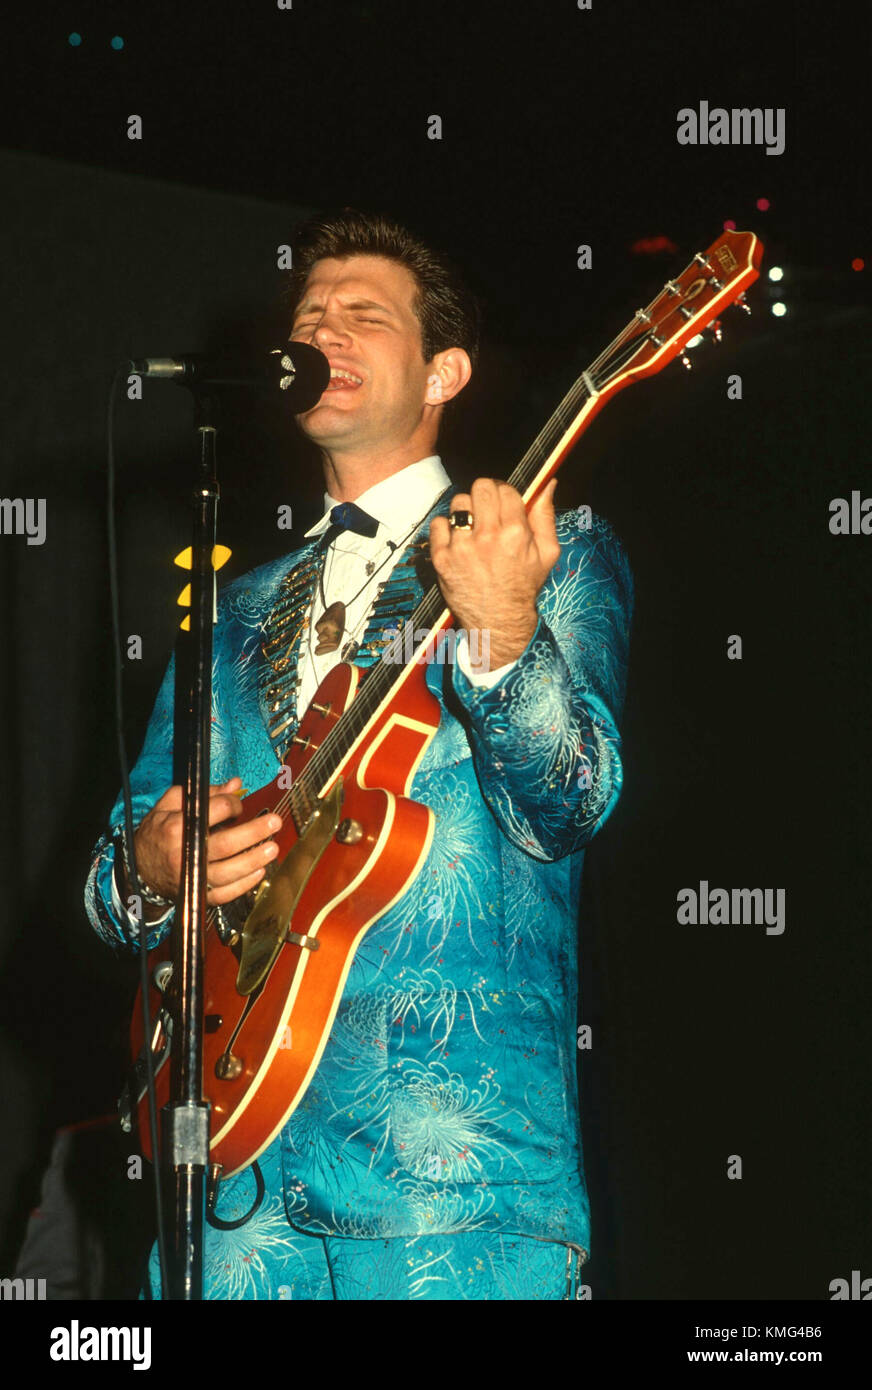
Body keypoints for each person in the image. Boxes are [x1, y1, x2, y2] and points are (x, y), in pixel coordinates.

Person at [85, 209, 633, 1300]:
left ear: (444, 372)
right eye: (309, 315)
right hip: (231, 1192)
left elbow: (570, 800)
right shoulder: (232, 612)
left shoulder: (546, 549)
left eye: (363, 316)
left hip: (448, 1189)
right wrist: (147, 870)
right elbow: (111, 884)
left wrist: (504, 638)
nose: (322, 329)